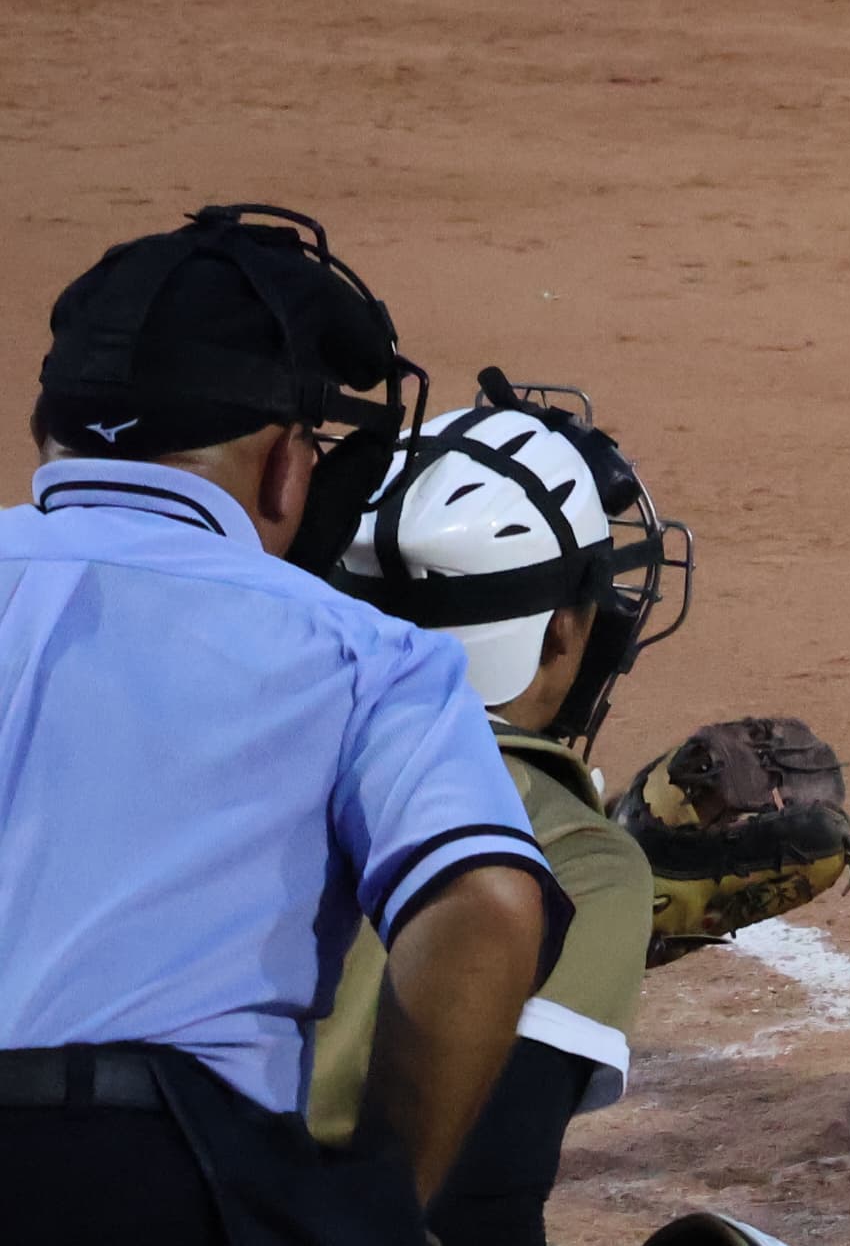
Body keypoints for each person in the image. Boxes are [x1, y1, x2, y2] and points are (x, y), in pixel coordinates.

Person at [0, 206, 564, 1246]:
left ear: (51, 434)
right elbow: (486, 905)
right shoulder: (362, 651)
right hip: (149, 1180)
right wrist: (380, 1204)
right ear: (285, 465)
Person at [311, 375, 689, 1246]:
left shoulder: (223, 734)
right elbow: (478, 1202)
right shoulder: (571, 853)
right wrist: (574, 921)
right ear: (563, 632)